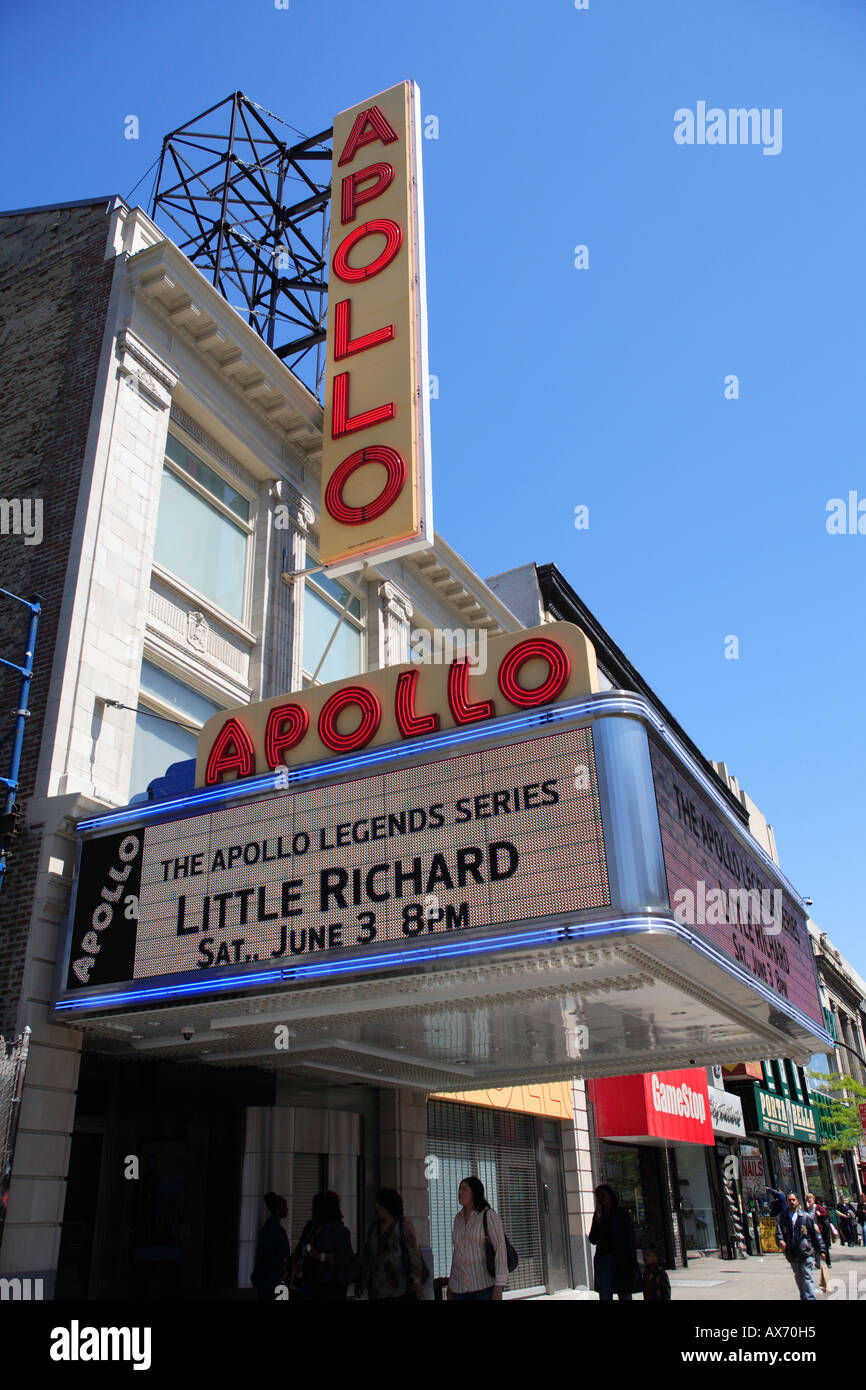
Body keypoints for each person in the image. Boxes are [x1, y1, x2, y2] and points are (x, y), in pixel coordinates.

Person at [447, 1176, 508, 1300]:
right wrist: (450, 1285)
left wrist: (499, 1285)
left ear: (474, 1193)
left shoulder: (488, 1216)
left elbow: (500, 1249)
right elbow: (457, 1253)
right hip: (458, 1288)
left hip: (483, 1287)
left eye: (464, 1189)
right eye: (459, 1189)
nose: (460, 1192)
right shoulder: (457, 1219)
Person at [291, 1190, 356, 1301]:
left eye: (315, 1207)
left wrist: (320, 1256)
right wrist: (300, 1262)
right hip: (310, 1283)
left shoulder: (337, 1230)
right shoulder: (312, 1227)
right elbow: (302, 1247)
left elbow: (345, 1256)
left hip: (329, 1285)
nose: (312, 1210)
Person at [363, 1187, 423, 1301]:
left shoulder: (403, 1226)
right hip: (377, 1289)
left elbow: (414, 1255)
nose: (376, 1207)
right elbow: (368, 1256)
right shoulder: (373, 1228)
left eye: (380, 1204)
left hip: (400, 1288)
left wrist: (416, 1281)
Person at [589, 1184, 638, 1301]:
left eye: (604, 1195)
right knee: (605, 1293)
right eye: (599, 1196)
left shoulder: (622, 1213)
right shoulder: (598, 1216)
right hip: (603, 1260)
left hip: (621, 1259)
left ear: (610, 1195)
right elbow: (593, 1239)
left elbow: (630, 1239)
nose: (602, 1198)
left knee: (625, 1293)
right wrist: (598, 1222)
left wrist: (633, 1263)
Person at [776, 1192, 825, 1300]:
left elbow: (815, 1235)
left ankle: (810, 1298)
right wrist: (780, 1241)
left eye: (794, 1200)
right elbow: (778, 1233)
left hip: (805, 1252)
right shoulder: (782, 1217)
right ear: (786, 1202)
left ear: (797, 1201)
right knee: (799, 1278)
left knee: (807, 1277)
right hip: (792, 1253)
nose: (792, 1202)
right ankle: (804, 1297)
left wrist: (821, 1250)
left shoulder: (806, 1217)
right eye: (789, 1200)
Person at [250, 1191, 290, 1300]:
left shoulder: (270, 1228)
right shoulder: (275, 1230)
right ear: (277, 1210)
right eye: (285, 1206)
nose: (287, 1209)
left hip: (268, 1279)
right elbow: (272, 1255)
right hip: (271, 1279)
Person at [804, 1193, 832, 1293]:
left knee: (823, 1247)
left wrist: (820, 1214)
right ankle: (817, 1263)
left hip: (820, 1230)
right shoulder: (808, 1210)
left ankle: (827, 1262)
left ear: (814, 1199)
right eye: (807, 1199)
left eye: (810, 1199)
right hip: (813, 1231)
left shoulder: (818, 1207)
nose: (809, 1201)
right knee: (815, 1247)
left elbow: (826, 1214)